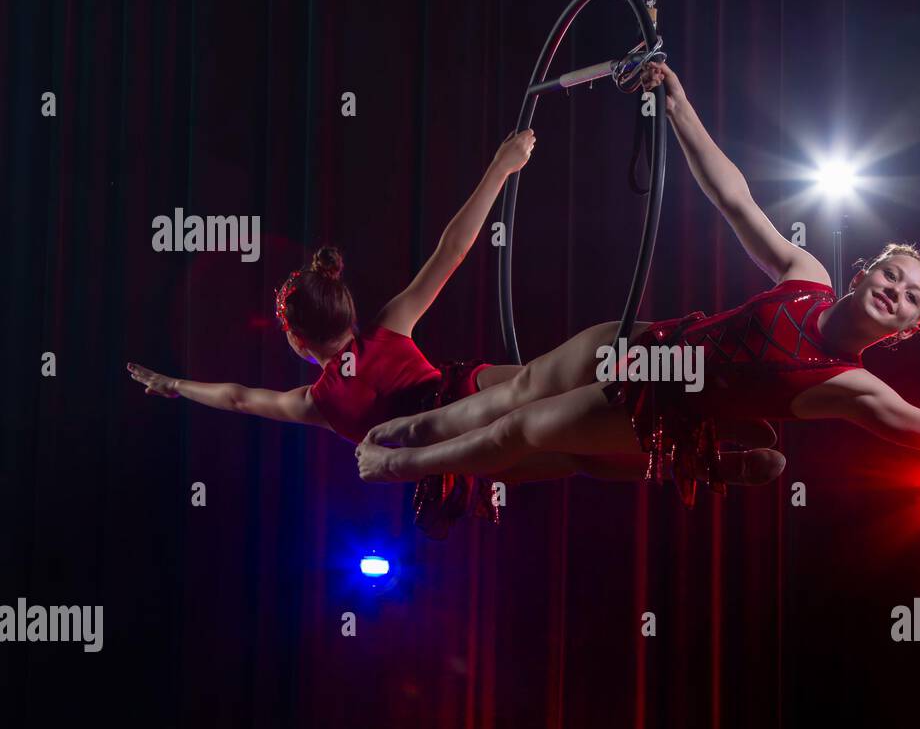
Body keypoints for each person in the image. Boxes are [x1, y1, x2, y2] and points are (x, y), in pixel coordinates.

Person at [355, 64, 920, 533]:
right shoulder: (806, 276)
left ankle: (399, 465)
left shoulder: (853, 389)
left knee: (523, 431)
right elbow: (734, 197)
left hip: (663, 412)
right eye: (893, 277)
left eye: (910, 300)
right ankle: (396, 429)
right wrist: (677, 99)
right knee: (522, 382)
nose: (895, 293)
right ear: (865, 270)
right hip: (653, 343)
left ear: (908, 328)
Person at [127, 130, 785, 537]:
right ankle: (712, 412)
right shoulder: (385, 332)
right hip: (462, 394)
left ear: (298, 343)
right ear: (347, 312)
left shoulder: (319, 401)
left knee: (580, 453)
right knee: (546, 385)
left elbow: (242, 397)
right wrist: (502, 166)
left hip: (462, 450)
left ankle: (713, 454)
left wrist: (172, 385)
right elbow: (453, 249)